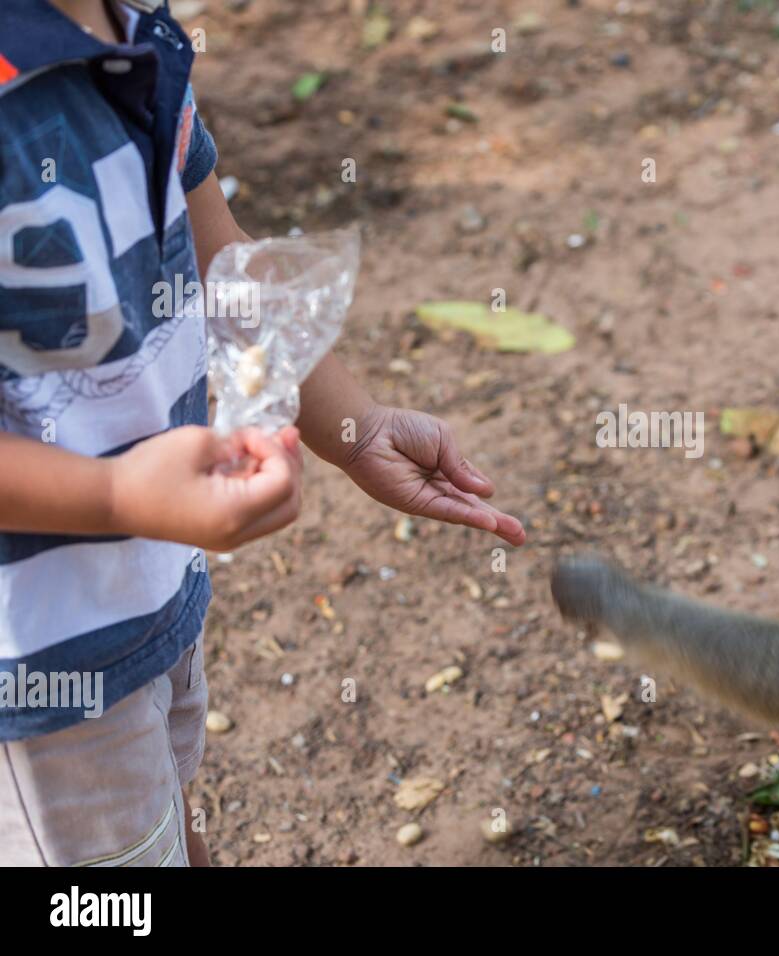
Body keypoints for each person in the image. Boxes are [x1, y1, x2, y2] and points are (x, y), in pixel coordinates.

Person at [0, 0, 524, 866]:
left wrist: (354, 428)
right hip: (42, 668)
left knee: (163, 818)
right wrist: (118, 494)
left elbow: (214, 253)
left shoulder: (133, 22)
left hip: (154, 589)